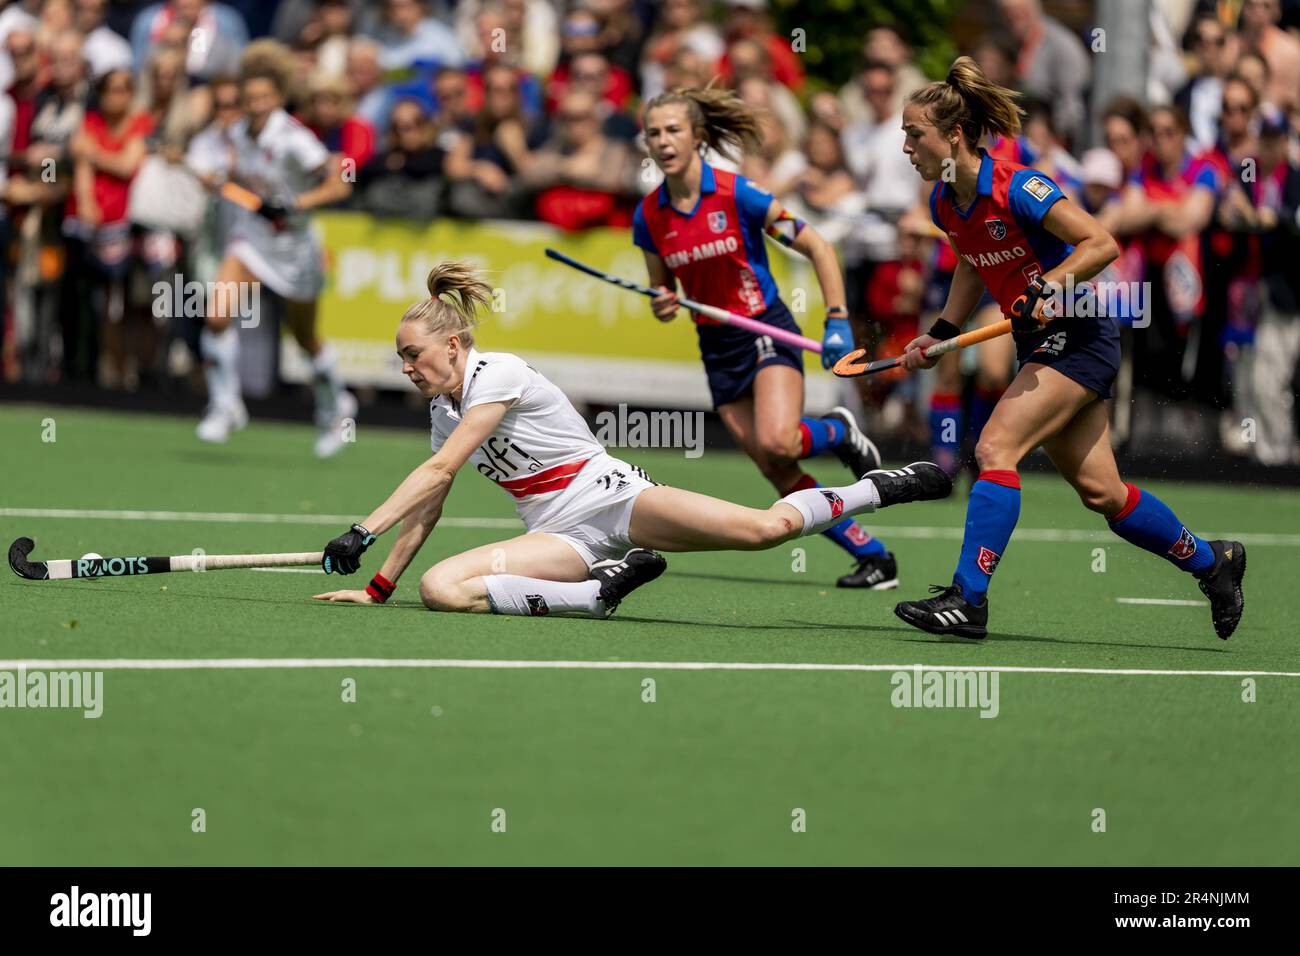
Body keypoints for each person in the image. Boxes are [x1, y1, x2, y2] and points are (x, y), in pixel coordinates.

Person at [313, 261, 954, 615]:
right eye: (400, 358)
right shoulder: (443, 412)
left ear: (453, 345)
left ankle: (874, 490)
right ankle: (597, 594)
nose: (404, 367)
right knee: (442, 591)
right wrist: (379, 586)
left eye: (411, 354)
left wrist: (361, 531)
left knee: (766, 531)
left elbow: (440, 473)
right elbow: (430, 504)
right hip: (557, 535)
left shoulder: (495, 374)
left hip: (613, 497)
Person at [892, 57, 1246, 641]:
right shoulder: (943, 204)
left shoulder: (1018, 186)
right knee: (1103, 493)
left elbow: (1100, 243)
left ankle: (968, 599)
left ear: (953, 135)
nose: (906, 146)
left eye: (914, 133)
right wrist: (943, 331)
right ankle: (1213, 563)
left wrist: (1047, 285)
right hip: (1041, 339)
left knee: (996, 446)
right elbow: (974, 263)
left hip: (1080, 332)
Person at [633, 84, 902, 590]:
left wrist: (838, 319)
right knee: (777, 469)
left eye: (673, 130)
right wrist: (662, 302)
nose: (663, 141)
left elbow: (819, 246)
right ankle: (873, 556)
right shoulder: (649, 216)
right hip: (716, 347)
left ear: (697, 136)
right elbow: (661, 294)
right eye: (654, 133)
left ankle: (837, 431)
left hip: (766, 328)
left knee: (779, 439)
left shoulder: (738, 194)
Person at [191, 39, 355, 456]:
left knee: (305, 340)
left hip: (295, 248)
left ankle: (336, 407)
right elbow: (248, 188)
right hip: (252, 238)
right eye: (250, 98)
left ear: (278, 98)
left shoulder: (295, 140)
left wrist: (298, 203)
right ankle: (226, 405)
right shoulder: (238, 134)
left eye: (265, 97)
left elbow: (339, 183)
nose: (257, 104)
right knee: (215, 315)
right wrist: (219, 183)